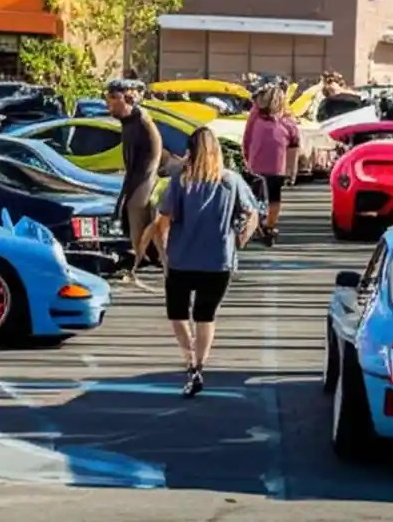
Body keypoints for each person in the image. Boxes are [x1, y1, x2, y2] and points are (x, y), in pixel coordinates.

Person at [155, 127, 260, 397]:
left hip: (181, 259)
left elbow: (163, 220)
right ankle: (199, 365)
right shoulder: (231, 181)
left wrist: (163, 252)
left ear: (191, 150)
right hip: (218, 260)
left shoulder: (180, 181)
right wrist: (239, 241)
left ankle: (189, 356)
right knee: (205, 315)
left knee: (177, 313)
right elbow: (252, 213)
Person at [106, 78, 161, 265]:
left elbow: (151, 158)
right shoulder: (129, 122)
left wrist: (136, 188)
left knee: (135, 210)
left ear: (128, 99)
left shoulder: (141, 121)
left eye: (114, 97)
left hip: (144, 180)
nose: (109, 103)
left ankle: (142, 257)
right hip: (136, 178)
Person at [242, 85, 298, 245]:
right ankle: (269, 226)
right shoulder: (288, 121)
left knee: (256, 197)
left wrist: (246, 157)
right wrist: (291, 171)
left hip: (257, 165)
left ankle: (259, 225)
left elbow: (247, 138)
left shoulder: (256, 116)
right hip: (276, 166)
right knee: (274, 197)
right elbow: (294, 145)